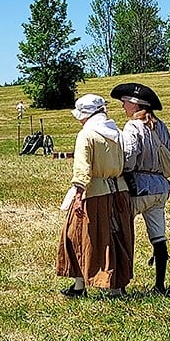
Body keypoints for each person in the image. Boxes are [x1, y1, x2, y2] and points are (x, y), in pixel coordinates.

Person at [56, 94, 134, 298]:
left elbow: (82, 168)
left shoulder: (87, 134)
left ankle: (90, 285)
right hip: (119, 192)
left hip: (95, 193)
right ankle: (96, 286)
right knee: (116, 236)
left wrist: (78, 194)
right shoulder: (117, 133)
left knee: (78, 236)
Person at [110, 82, 170, 294]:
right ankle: (159, 285)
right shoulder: (162, 126)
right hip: (160, 187)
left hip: (137, 187)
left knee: (120, 232)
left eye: (125, 102)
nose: (123, 106)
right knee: (159, 237)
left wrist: (120, 171)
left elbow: (129, 157)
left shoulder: (132, 126)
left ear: (136, 104)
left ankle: (119, 286)